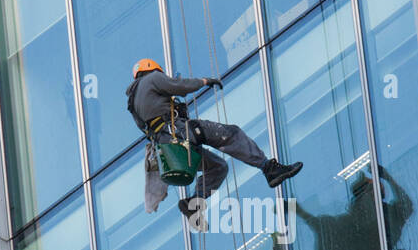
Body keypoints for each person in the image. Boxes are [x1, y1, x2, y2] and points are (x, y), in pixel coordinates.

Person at [126, 59, 302, 221]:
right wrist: (204, 81)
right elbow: (180, 86)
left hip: (169, 149)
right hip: (179, 133)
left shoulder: (133, 102)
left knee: (219, 167)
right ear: (152, 70)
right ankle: (269, 169)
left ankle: (194, 203)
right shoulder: (153, 78)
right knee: (230, 134)